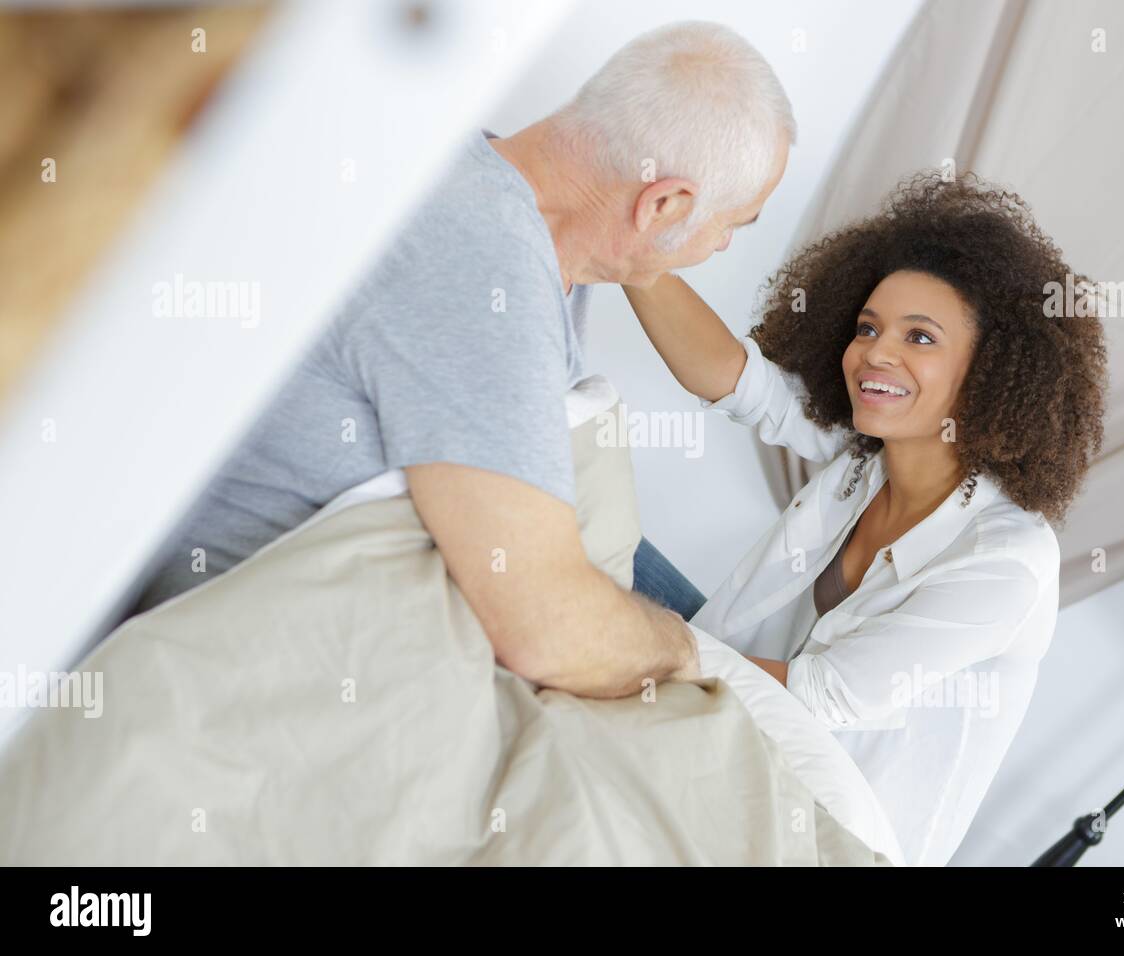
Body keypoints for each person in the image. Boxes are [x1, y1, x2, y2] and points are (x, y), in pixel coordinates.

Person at [132, 21, 795, 698]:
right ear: (664, 205)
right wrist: (684, 649)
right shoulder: (486, 273)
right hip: (249, 655)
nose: (718, 246)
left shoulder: (484, 176)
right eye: (734, 224)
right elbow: (546, 629)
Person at [622, 171, 1109, 864]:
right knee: (575, 534)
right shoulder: (871, 452)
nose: (876, 353)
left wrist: (619, 644)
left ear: (992, 371)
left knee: (587, 583)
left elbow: (823, 696)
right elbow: (739, 380)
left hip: (824, 829)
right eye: (868, 327)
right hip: (752, 712)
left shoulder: (1007, 560)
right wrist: (631, 252)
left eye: (920, 338)